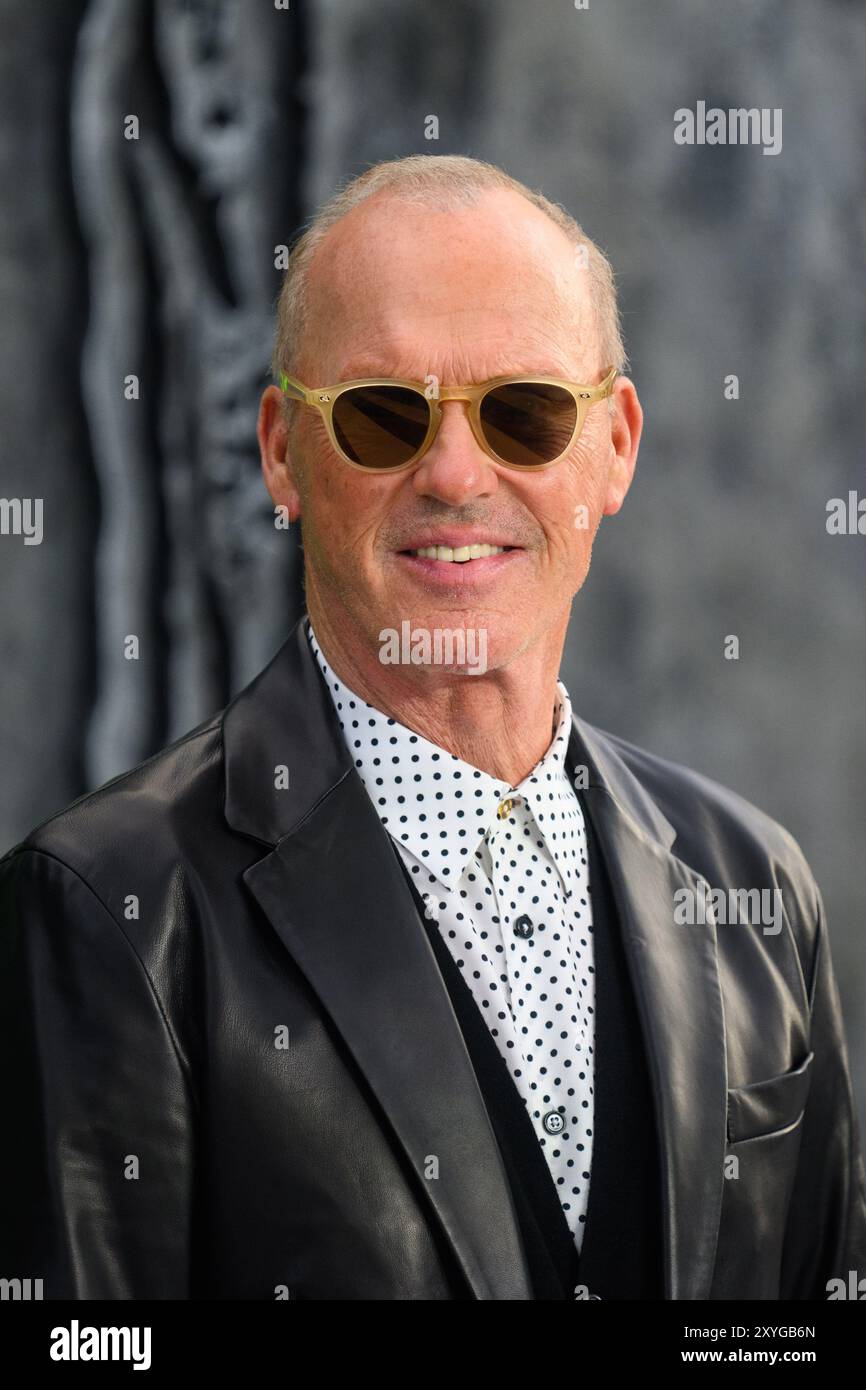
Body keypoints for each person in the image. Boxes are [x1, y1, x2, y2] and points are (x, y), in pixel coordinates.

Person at [1, 154, 864, 1300]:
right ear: (280, 451)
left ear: (612, 446)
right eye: (380, 415)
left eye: (524, 412)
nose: (455, 473)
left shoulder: (752, 887)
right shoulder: (106, 915)